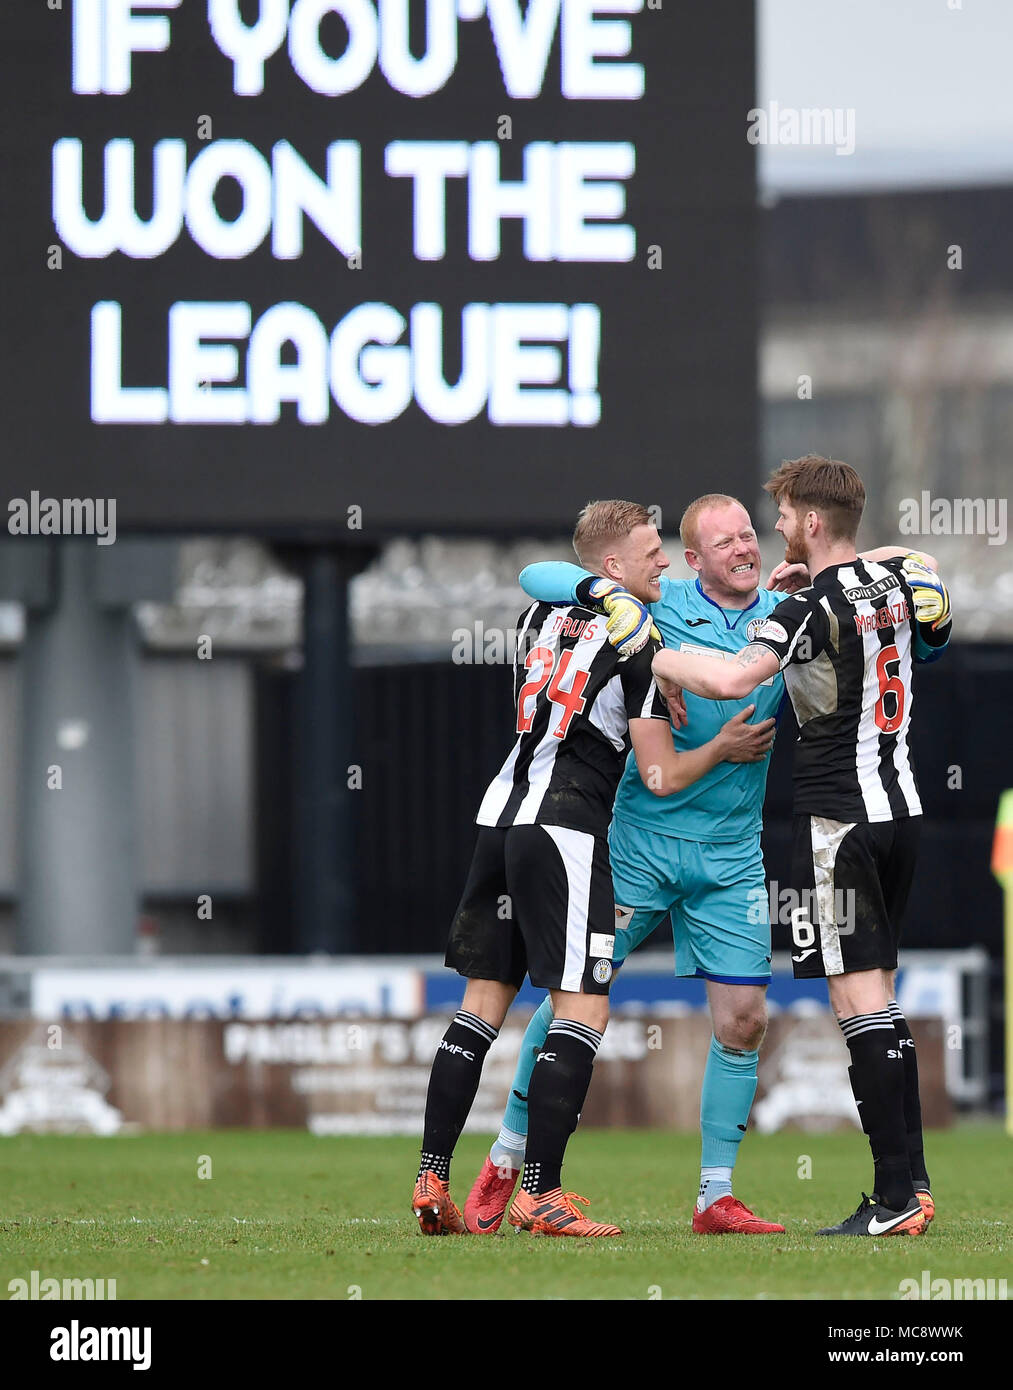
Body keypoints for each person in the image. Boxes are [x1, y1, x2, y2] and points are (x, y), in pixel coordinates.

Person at [413, 500, 768, 1238]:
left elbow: (542, 578)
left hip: (499, 815)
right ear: (612, 568)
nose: (661, 563)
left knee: (479, 1007)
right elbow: (668, 761)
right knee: (583, 1010)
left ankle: (431, 1176)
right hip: (566, 828)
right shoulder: (638, 643)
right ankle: (539, 1190)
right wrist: (710, 722)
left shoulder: (539, 618)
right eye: (650, 554)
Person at [651, 455, 950, 1237]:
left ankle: (890, 1202)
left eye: (782, 515)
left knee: (855, 1003)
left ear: (811, 523)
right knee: (880, 999)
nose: (776, 529)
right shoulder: (891, 586)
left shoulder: (802, 609)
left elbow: (727, 680)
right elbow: (910, 564)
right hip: (900, 812)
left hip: (836, 823)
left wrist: (655, 658)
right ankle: (911, 1186)